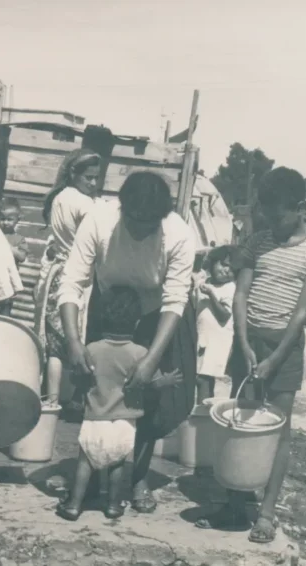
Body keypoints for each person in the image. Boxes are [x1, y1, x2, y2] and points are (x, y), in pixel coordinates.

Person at [194, 167, 306, 544]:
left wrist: (274, 358)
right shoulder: (256, 242)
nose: (273, 221)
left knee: (277, 429)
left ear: (300, 207)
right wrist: (243, 342)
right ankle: (234, 503)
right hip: (249, 342)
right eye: (267, 214)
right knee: (243, 421)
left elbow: (301, 314)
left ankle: (266, 513)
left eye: (279, 215)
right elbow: (240, 294)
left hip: (284, 348)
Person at [58, 170, 198, 514]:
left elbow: (175, 300)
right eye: (134, 220)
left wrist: (151, 359)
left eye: (149, 223)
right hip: (111, 310)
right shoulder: (99, 220)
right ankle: (91, 475)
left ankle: (136, 477)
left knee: (150, 400)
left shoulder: (179, 234)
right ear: (122, 209)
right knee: (100, 393)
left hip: (158, 315)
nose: (140, 229)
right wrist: (73, 340)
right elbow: (72, 282)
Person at [56, 286, 181, 521]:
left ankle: (73, 505)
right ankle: (113, 506)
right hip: (124, 421)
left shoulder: (91, 349)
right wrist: (167, 381)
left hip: (94, 418)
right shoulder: (140, 353)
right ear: (136, 323)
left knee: (85, 463)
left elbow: (78, 379)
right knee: (117, 464)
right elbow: (152, 383)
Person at [32, 148, 102, 404]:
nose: (93, 183)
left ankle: (51, 400)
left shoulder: (58, 198)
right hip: (79, 274)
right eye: (88, 178)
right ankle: (77, 399)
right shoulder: (85, 204)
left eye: (97, 178)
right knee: (80, 337)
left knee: (55, 345)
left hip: (57, 273)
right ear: (74, 173)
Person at [192, 245, 237, 401]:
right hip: (202, 337)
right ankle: (205, 407)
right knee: (201, 376)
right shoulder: (203, 282)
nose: (226, 270)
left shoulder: (229, 288)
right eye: (223, 264)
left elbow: (224, 315)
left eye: (231, 269)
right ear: (213, 262)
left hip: (217, 340)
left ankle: (202, 409)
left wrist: (211, 295)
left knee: (203, 378)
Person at [0, 196, 29, 265]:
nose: (5, 222)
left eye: (9, 219)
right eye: (2, 219)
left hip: (10, 270)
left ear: (17, 220)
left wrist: (9, 248)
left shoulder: (19, 239)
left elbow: (22, 257)